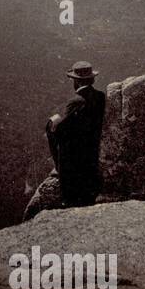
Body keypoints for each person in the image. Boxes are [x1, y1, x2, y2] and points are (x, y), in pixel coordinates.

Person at [45, 61, 106, 208]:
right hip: (91, 153)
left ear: (77, 81)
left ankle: (58, 170)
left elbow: (58, 129)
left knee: (50, 127)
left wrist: (53, 121)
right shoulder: (100, 96)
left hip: (74, 158)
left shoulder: (76, 101)